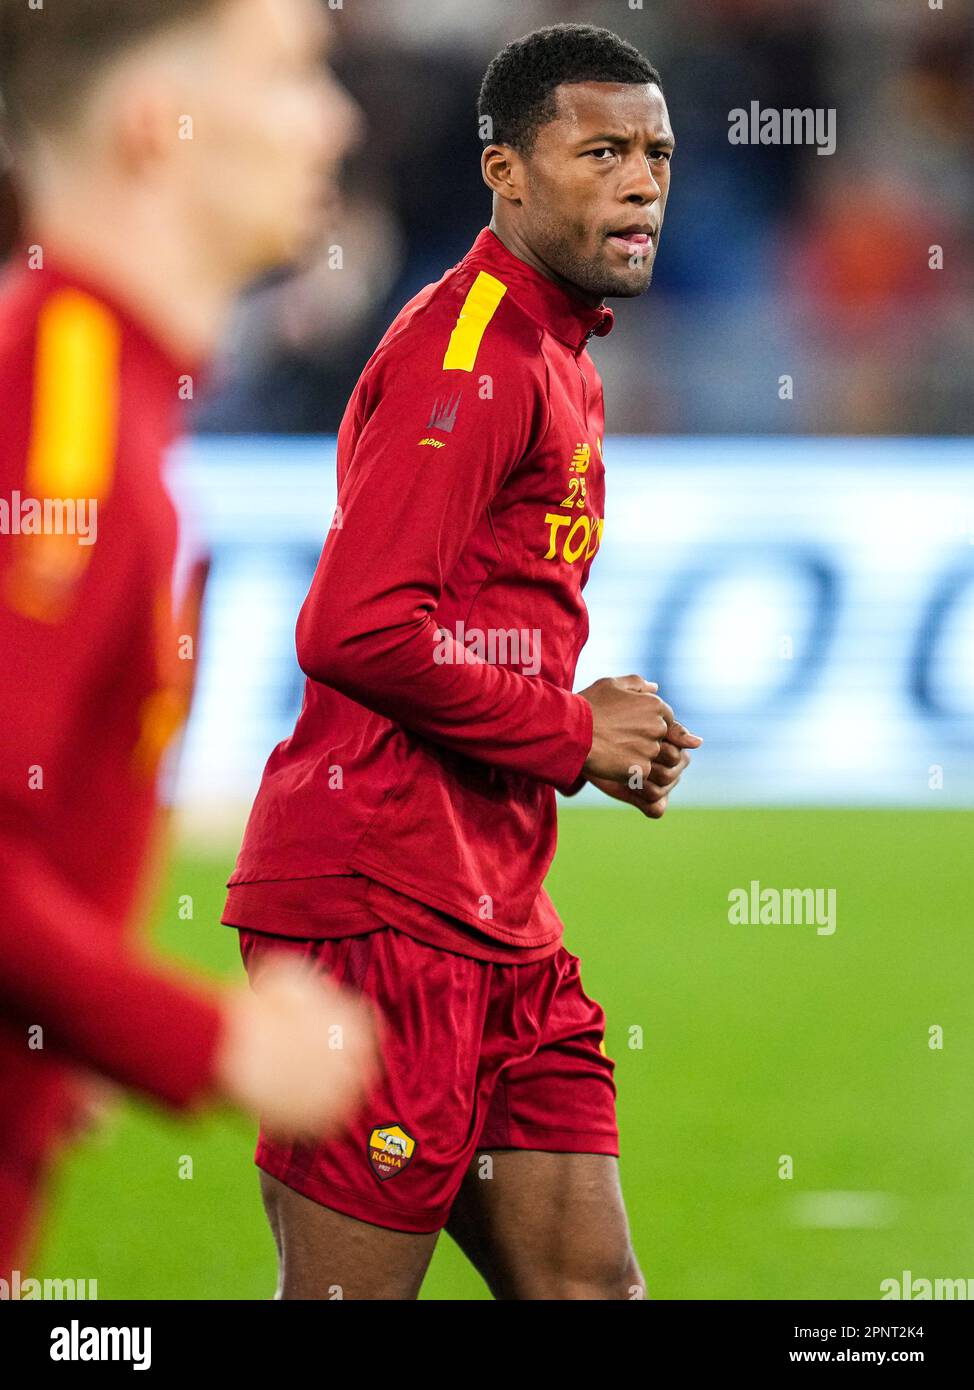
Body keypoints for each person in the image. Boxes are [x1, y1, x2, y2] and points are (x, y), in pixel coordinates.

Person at [224, 23, 701, 1300]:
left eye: (655, 151)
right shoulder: (470, 352)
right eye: (600, 150)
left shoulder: (559, 350)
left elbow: (480, 614)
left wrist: (598, 730)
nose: (642, 179)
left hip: (494, 906)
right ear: (504, 172)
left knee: (590, 1288)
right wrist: (567, 734)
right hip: (375, 904)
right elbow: (352, 628)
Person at [0, 0, 377, 1278]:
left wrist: (61, 1020)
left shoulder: (96, 392)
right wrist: (200, 1037)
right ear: (153, 128)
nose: (337, 117)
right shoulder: (55, 412)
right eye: (287, 73)